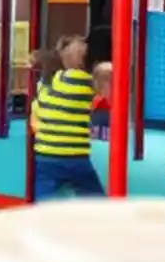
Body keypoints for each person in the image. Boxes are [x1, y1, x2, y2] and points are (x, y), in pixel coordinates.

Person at [29, 35, 107, 199]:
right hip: (76, 157)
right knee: (96, 201)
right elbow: (104, 84)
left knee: (43, 200)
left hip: (45, 155)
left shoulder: (43, 86)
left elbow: (36, 112)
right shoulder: (82, 81)